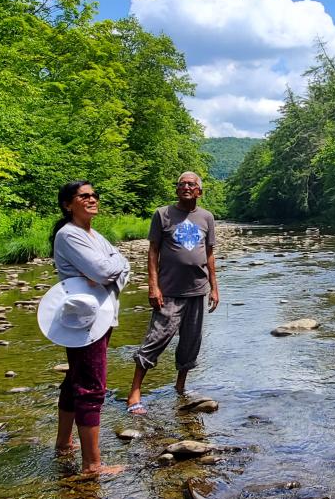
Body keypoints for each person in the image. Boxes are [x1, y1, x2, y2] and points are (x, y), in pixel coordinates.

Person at [46, 180, 130, 476]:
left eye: (94, 195)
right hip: (86, 321)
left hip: (99, 316)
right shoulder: (69, 235)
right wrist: (110, 267)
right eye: (84, 196)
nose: (92, 199)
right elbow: (106, 270)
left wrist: (111, 268)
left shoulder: (93, 234)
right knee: (91, 387)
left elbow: (123, 267)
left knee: (75, 379)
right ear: (68, 204)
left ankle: (63, 443)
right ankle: (92, 464)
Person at [126, 171, 218, 414]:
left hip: (197, 290)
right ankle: (134, 392)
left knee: (191, 342)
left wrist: (214, 288)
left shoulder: (206, 217)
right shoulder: (163, 214)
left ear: (199, 191)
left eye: (191, 184)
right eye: (182, 184)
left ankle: (180, 386)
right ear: (177, 190)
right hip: (169, 291)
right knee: (156, 338)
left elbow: (209, 254)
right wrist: (153, 286)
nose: (186, 187)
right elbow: (153, 251)